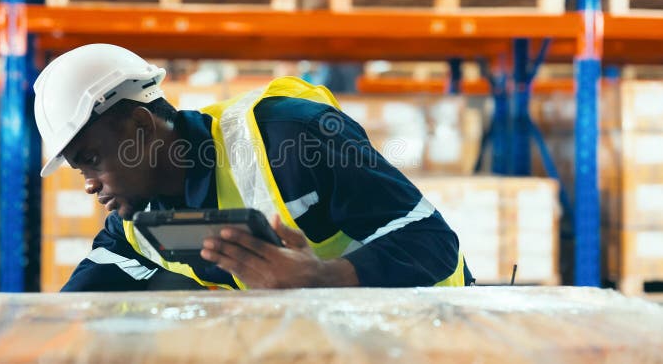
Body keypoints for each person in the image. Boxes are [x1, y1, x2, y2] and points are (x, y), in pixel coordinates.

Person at [34, 44, 473, 291]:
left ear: (141, 127)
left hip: (441, 335)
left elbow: (432, 242)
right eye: (79, 170)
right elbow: (79, 307)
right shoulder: (133, 228)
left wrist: (321, 277)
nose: (89, 186)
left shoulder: (292, 139)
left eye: (91, 160)